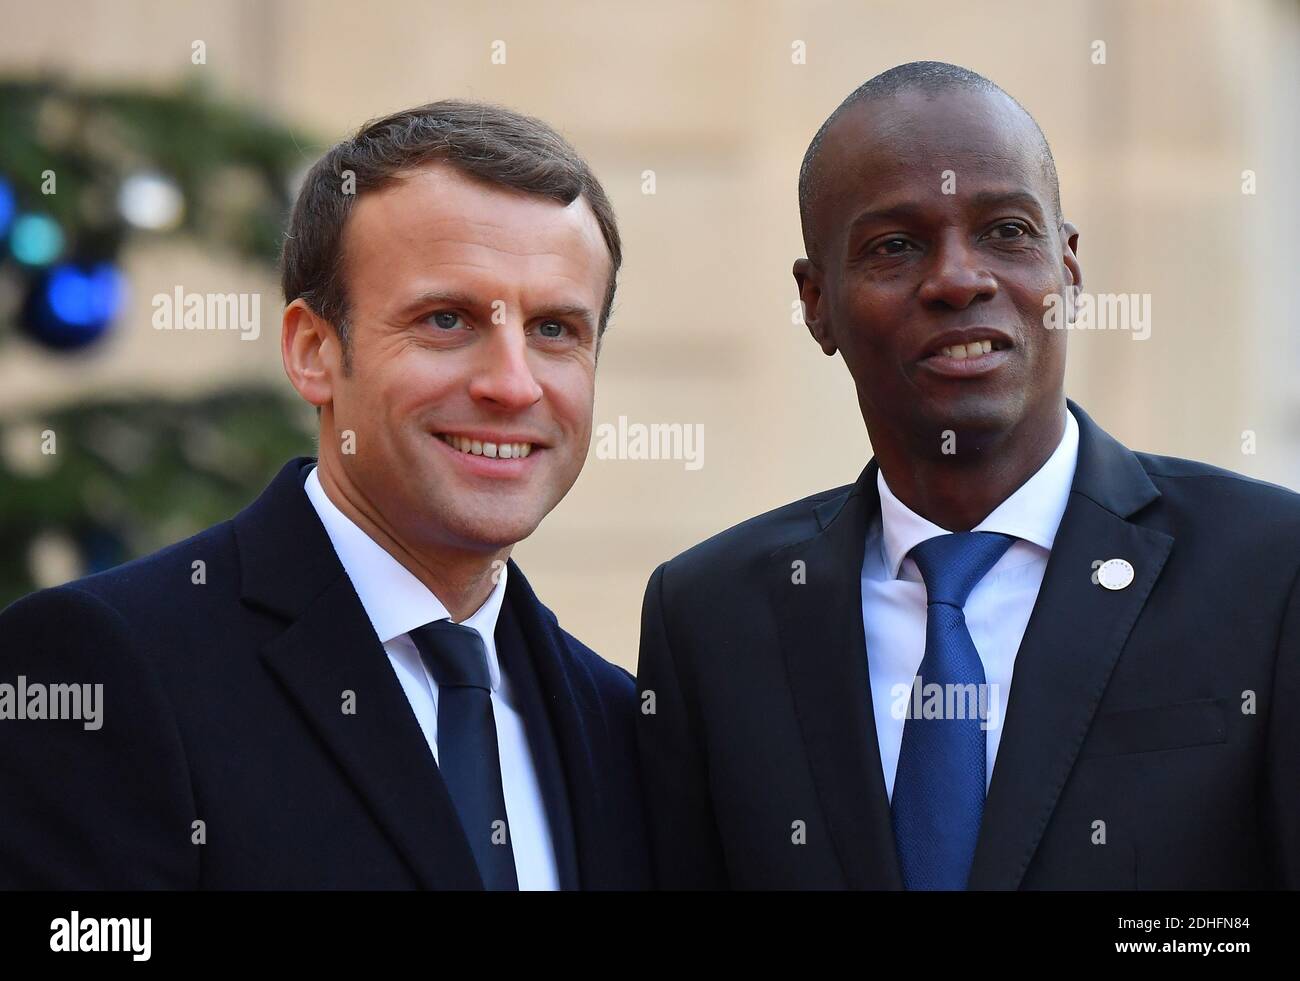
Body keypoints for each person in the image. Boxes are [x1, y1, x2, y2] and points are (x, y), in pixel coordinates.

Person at [635, 62, 1299, 890]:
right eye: (896, 245)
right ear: (817, 303)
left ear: (1069, 269)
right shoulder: (711, 616)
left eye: (1007, 231)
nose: (958, 278)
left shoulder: (1271, 570)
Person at [0, 100, 650, 890]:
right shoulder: (108, 666)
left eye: (554, 330)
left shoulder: (620, 722)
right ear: (312, 350)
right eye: (447, 319)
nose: (512, 384)